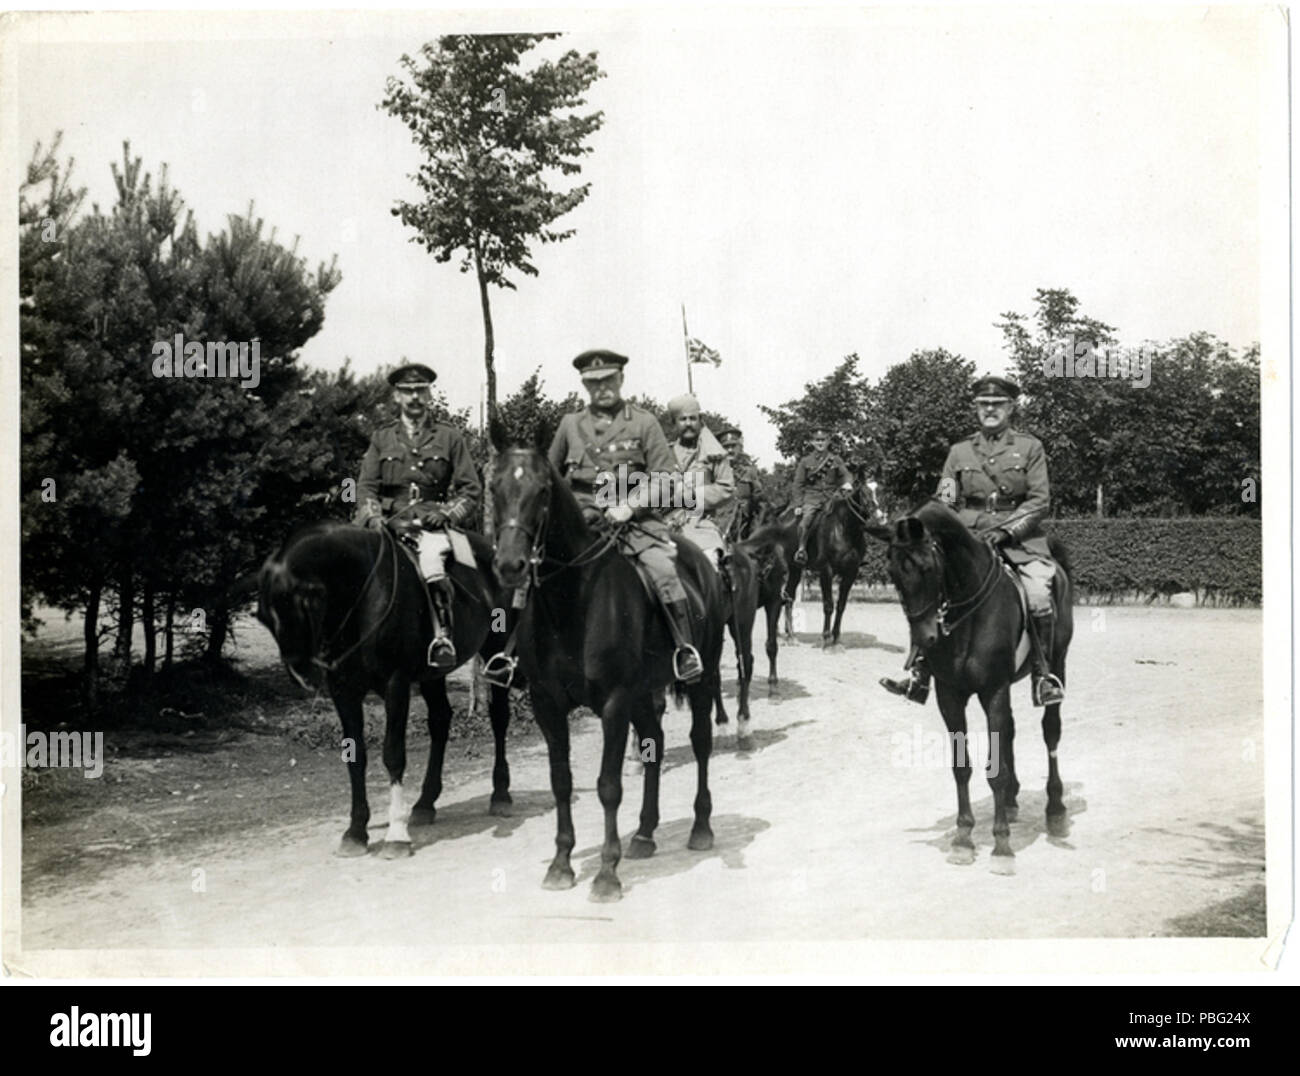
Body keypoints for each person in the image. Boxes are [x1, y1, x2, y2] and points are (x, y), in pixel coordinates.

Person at [879, 373, 1065, 707]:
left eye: (997, 404)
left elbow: (1039, 501)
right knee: (928, 589)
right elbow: (946, 501)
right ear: (976, 409)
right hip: (969, 541)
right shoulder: (959, 453)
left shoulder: (1030, 448)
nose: (990, 410)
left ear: (1011, 408)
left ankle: (1042, 675)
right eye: (983, 405)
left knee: (1038, 594)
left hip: (1020, 543)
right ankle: (921, 673)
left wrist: (1007, 530)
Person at [547, 350, 703, 683]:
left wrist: (629, 506)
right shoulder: (569, 424)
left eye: (608, 380)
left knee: (664, 571)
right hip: (581, 523)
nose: (601, 388)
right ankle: (513, 651)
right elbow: (549, 477)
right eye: (593, 383)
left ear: (621, 379)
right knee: (530, 572)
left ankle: (683, 649)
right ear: (585, 385)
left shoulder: (644, 422)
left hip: (634, 524)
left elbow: (668, 477)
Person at [354, 363, 481, 669]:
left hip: (429, 525)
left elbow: (471, 489)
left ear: (429, 395)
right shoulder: (381, 438)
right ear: (396, 397)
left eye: (420, 391)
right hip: (386, 524)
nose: (414, 398)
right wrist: (372, 518)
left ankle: (442, 637)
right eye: (407, 392)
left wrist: (447, 514)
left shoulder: (450, 438)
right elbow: (365, 486)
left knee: (432, 564)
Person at [665, 394, 735, 572]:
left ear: (700, 420)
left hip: (700, 526)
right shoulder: (665, 453)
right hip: (665, 525)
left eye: (692, 418)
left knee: (710, 565)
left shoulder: (714, 455)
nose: (688, 423)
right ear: (674, 423)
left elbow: (726, 488)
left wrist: (691, 496)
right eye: (682, 419)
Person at [791, 425, 853, 564]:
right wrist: (798, 504)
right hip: (811, 500)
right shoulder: (805, 461)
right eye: (817, 440)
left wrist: (848, 482)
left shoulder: (836, 460)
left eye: (823, 440)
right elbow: (798, 484)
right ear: (812, 442)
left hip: (831, 499)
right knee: (806, 520)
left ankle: (855, 552)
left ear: (828, 441)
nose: (820, 443)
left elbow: (846, 474)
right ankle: (801, 550)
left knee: (850, 519)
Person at [716, 426, 763, 540]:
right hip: (718, 530)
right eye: (726, 447)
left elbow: (759, 502)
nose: (730, 450)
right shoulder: (713, 472)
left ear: (739, 448)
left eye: (733, 446)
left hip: (744, 532)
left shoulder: (750, 472)